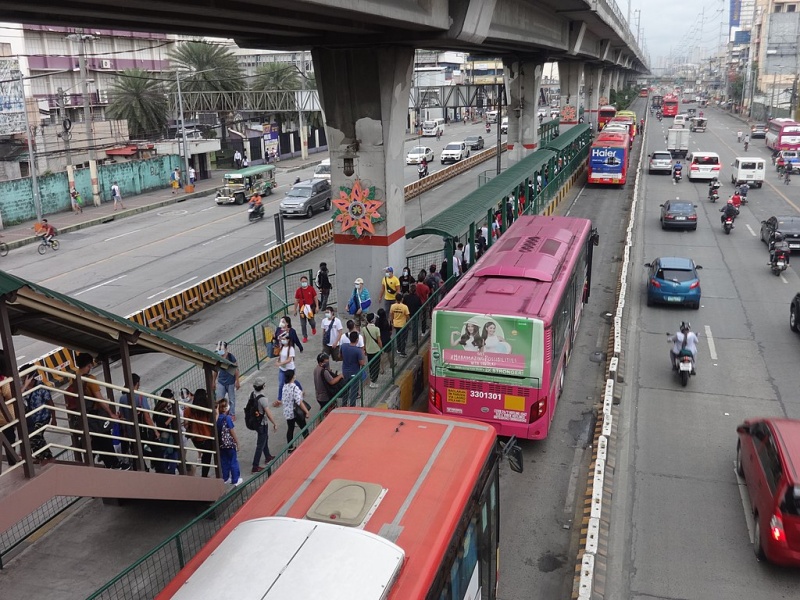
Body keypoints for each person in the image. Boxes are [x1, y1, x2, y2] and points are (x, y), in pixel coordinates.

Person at [118, 373, 156, 470]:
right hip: (141, 430)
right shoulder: (140, 397)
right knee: (146, 449)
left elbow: (122, 416)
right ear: (137, 383)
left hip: (130, 430)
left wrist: (125, 431)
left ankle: (141, 468)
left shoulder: (122, 398)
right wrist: (155, 430)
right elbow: (147, 417)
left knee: (136, 450)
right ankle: (145, 467)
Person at [20, 365, 57, 461]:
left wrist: (54, 418)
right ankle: (43, 457)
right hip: (31, 418)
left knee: (35, 437)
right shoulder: (23, 387)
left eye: (24, 376)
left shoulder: (41, 387)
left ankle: (46, 457)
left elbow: (50, 402)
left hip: (43, 417)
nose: (22, 378)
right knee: (37, 438)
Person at [273, 369, 309, 451]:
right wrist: (306, 411)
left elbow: (284, 399)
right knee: (303, 426)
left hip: (288, 412)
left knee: (290, 428)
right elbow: (299, 401)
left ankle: (290, 447)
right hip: (295, 411)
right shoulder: (294, 387)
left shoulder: (284, 387)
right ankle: (308, 441)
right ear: (293, 376)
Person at [249, 377, 277, 473]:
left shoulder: (253, 394)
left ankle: (268, 456)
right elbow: (268, 413)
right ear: (263, 386)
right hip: (262, 423)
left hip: (256, 422)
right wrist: (274, 423)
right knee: (260, 444)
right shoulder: (263, 399)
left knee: (265, 438)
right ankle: (255, 466)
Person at [185, 388, 214, 477]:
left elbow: (186, 424)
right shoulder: (208, 409)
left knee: (205, 454)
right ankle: (204, 475)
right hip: (207, 437)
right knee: (207, 456)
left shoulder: (189, 410)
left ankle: (204, 474)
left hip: (195, 439)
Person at [216, 398, 242, 485]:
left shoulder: (216, 418)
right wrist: (237, 442)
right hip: (229, 444)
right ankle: (235, 479)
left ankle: (225, 478)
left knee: (224, 461)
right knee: (233, 461)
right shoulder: (227, 418)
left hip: (220, 444)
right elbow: (232, 431)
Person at [153, 392, 179, 474]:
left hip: (164, 435)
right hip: (167, 435)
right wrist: (172, 416)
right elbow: (164, 424)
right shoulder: (163, 411)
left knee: (168, 454)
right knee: (172, 453)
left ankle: (167, 470)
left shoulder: (158, 409)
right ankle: (171, 472)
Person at [213, 341, 240, 416]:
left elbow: (236, 370)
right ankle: (220, 413)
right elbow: (215, 370)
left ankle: (232, 413)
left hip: (230, 382)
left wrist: (237, 381)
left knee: (232, 399)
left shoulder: (231, 357)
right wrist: (213, 381)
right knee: (219, 399)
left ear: (226, 349)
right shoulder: (217, 357)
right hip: (221, 381)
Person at [341, 331, 366, 407]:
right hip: (354, 373)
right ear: (357, 340)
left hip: (345, 371)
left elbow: (340, 356)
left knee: (346, 389)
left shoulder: (343, 346)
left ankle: (344, 405)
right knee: (353, 391)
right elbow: (362, 363)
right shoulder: (357, 351)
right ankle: (352, 406)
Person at [293, 275, 318, 343]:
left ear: (307, 282)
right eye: (302, 281)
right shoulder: (298, 290)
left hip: (310, 309)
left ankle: (313, 328)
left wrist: (317, 306)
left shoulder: (311, 289)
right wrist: (295, 309)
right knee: (303, 324)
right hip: (302, 309)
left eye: (305, 281)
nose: (304, 283)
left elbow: (315, 297)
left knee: (312, 322)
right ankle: (305, 336)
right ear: (300, 282)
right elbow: (296, 300)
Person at [362, 313, 383, 388]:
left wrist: (364, 349)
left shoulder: (364, 329)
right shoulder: (377, 329)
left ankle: (371, 377)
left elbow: (364, 340)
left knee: (371, 364)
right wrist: (381, 348)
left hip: (368, 350)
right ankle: (374, 380)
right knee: (376, 365)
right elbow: (379, 340)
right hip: (376, 350)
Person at [275, 332, 296, 403]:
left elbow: (289, 360)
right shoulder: (282, 347)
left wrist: (280, 363)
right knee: (281, 383)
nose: (282, 340)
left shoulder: (291, 349)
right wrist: (278, 361)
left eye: (284, 339)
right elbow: (280, 356)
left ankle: (300, 390)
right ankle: (279, 399)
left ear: (288, 340)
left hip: (289, 369)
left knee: (292, 382)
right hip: (282, 369)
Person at [390, 293, 411, 357]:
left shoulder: (392, 306)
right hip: (403, 324)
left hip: (396, 323)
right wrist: (409, 321)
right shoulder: (405, 307)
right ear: (402, 299)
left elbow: (391, 315)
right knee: (403, 338)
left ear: (395, 299)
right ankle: (402, 352)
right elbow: (407, 316)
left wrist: (392, 322)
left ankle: (398, 349)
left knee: (398, 336)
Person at [376, 308, 393, 373]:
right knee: (389, 352)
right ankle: (391, 364)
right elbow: (390, 330)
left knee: (381, 354)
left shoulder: (377, 322)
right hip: (387, 338)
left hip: (380, 339)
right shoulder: (387, 321)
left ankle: (382, 369)